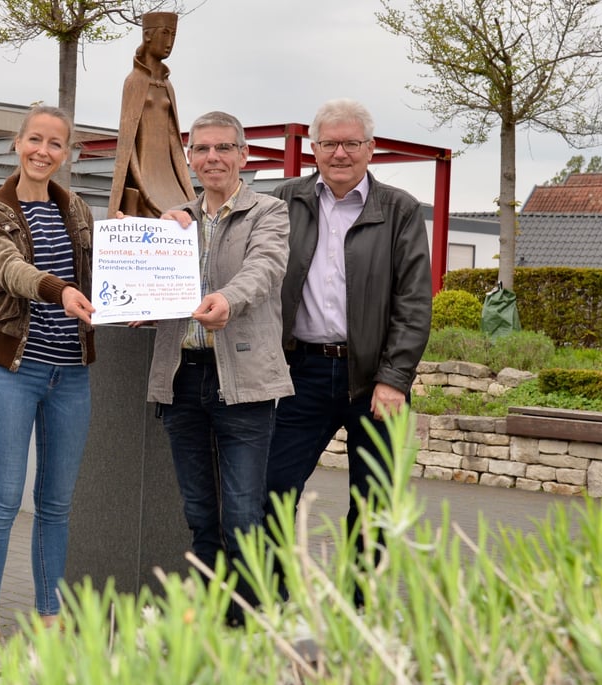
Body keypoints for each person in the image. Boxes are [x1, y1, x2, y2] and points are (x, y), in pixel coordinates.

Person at [266, 98, 432, 603]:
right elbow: (228, 236)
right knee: (271, 494)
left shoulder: (399, 209)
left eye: (352, 143)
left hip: (374, 380)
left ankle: (357, 614)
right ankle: (276, 604)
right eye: (330, 143)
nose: (341, 152)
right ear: (313, 149)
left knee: (374, 502)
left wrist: (395, 377)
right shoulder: (282, 201)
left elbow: (414, 300)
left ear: (370, 149)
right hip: (299, 373)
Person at [143, 110, 292, 624]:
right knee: (200, 515)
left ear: (243, 155)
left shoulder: (268, 212)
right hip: (181, 379)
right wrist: (137, 299)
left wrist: (228, 299)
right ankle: (211, 616)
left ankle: (246, 620)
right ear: (189, 158)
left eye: (223, 148)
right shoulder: (172, 221)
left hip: (245, 382)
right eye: (202, 150)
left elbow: (265, 270)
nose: (212, 158)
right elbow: (156, 290)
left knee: (244, 515)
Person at [0, 105, 96, 655]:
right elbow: (10, 271)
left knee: (57, 506)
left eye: (56, 143)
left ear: (67, 154)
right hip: (13, 374)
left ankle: (50, 620)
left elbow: (102, 275)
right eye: (35, 140)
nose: (44, 151)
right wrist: (58, 290)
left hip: (72, 377)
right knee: (0, 503)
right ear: (17, 144)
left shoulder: (79, 211)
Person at [107, 11, 195, 217]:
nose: (170, 42)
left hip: (170, 184)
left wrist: (190, 192)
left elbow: (175, 143)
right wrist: (145, 191)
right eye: (165, 33)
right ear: (147, 35)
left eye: (173, 35)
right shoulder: (134, 82)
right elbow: (129, 145)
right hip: (145, 184)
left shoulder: (168, 86)